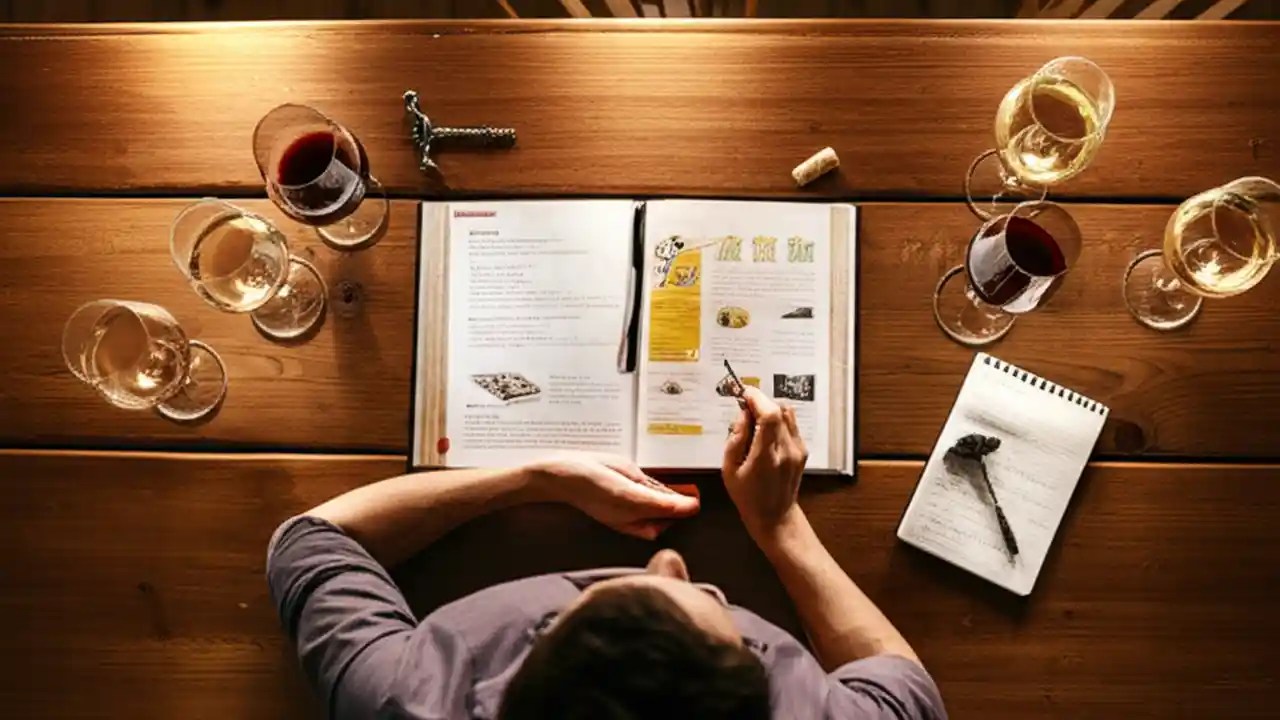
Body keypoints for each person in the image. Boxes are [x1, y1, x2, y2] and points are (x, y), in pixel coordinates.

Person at [267, 388, 946, 719]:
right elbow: (906, 688)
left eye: (578, 604)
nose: (672, 564)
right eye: (727, 622)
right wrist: (780, 523)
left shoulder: (410, 698)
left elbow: (312, 539)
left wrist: (535, 479)